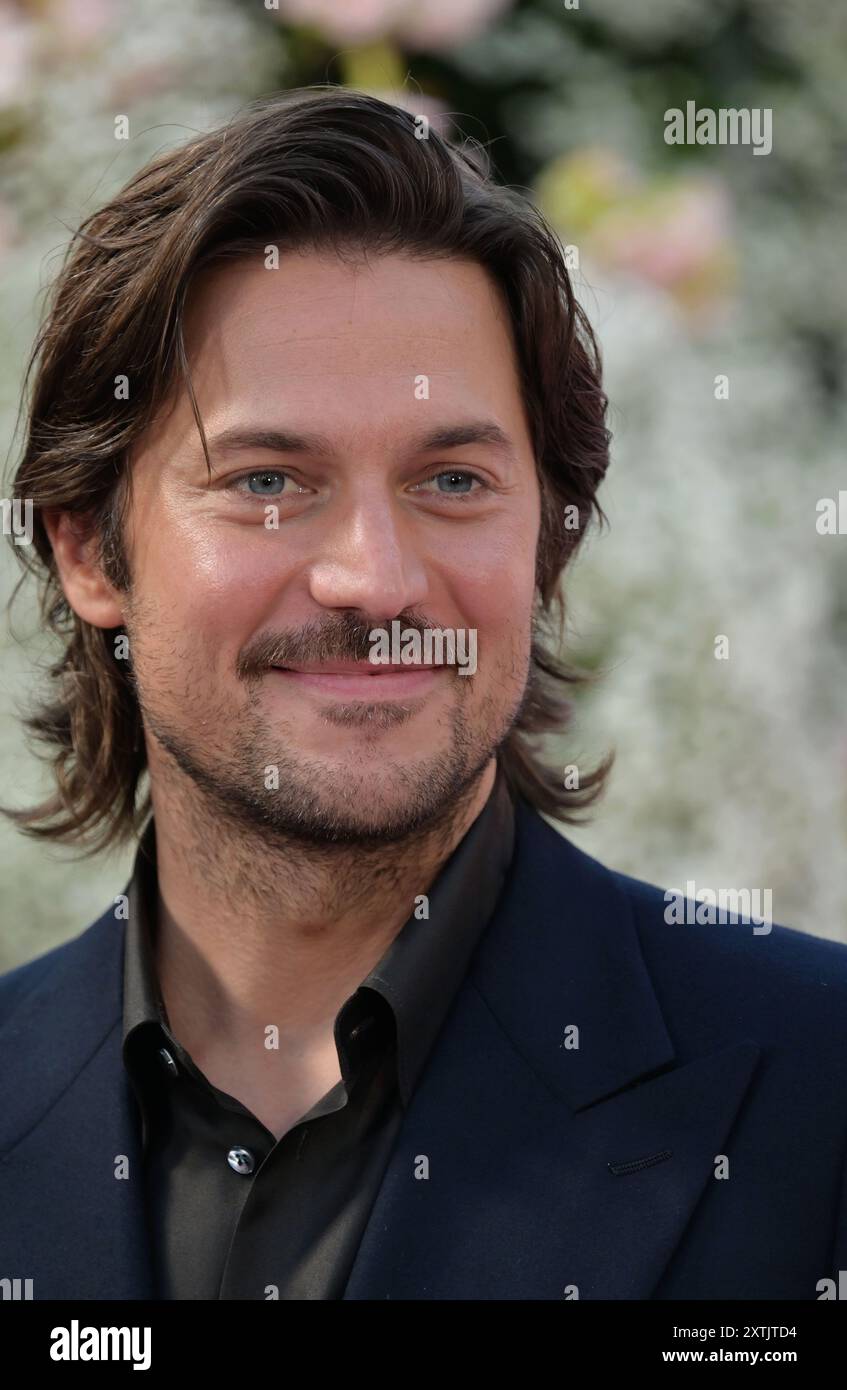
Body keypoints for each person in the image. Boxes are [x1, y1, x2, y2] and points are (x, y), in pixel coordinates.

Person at [1, 87, 845, 1302]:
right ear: (90, 551)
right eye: (268, 480)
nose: (375, 580)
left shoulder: (819, 1093)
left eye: (451, 478)